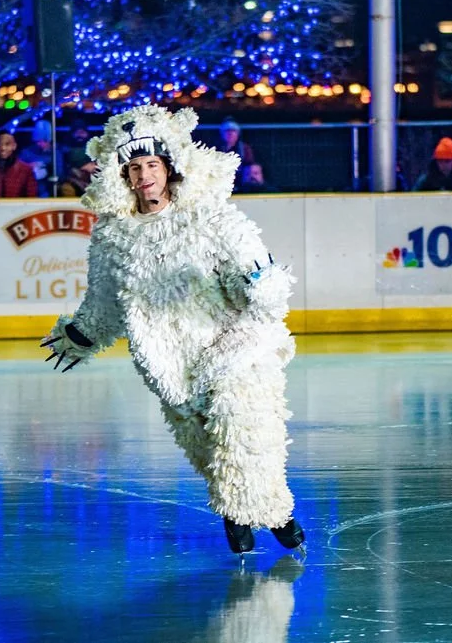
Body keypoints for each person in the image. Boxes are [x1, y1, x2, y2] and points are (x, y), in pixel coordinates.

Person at [40, 105, 305, 555]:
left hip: (235, 343)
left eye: (151, 165)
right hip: (171, 361)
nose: (143, 176)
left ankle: (273, 516)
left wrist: (263, 286)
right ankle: (242, 511)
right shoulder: (113, 235)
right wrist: (83, 334)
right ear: (121, 176)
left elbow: (255, 275)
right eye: (134, 168)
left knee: (247, 432)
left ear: (169, 168)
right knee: (210, 448)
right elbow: (105, 298)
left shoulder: (213, 218)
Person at [19, 120, 60, 197]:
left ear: (49, 140)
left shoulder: (55, 153)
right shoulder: (26, 152)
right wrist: (28, 167)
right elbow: (17, 170)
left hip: (48, 189)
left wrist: (47, 170)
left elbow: (60, 173)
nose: (39, 144)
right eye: (37, 141)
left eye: (42, 141)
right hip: (29, 187)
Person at [214, 117, 256, 189]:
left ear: (238, 133)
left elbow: (250, 165)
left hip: (241, 177)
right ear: (222, 133)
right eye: (227, 131)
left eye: (233, 131)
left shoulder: (245, 148)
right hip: (222, 178)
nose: (230, 133)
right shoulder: (216, 148)